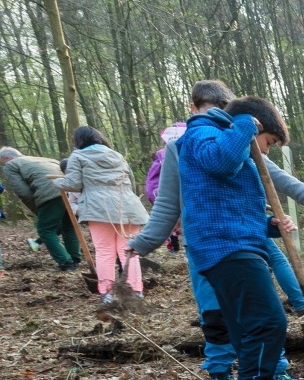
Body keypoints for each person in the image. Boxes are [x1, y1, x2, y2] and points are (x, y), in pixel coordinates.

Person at [130, 80, 304, 380]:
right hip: (211, 242)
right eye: (268, 141)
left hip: (249, 235)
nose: (265, 148)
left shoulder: (247, 147)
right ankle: (229, 374)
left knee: (263, 312)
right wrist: (141, 244)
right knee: (223, 311)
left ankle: (271, 374)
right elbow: (168, 205)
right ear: (194, 110)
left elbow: (289, 185)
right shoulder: (192, 145)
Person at [169, 94, 304, 380]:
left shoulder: (226, 142)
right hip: (224, 248)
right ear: (253, 126)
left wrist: (267, 227)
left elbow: (219, 203)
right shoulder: (203, 134)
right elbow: (220, 163)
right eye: (269, 142)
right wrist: (246, 126)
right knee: (269, 321)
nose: (265, 151)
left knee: (247, 327)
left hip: (235, 242)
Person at [56, 126, 150, 302]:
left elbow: (73, 183)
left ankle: (108, 293)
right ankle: (136, 291)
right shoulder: (116, 154)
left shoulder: (78, 155)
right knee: (128, 251)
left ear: (78, 141)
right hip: (127, 205)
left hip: (99, 209)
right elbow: (130, 179)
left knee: (105, 252)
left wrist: (57, 182)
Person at [0, 147, 82, 270]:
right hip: (70, 191)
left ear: (7, 158)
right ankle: (74, 259)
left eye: (2, 162)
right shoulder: (46, 159)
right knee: (69, 227)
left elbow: (22, 191)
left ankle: (66, 262)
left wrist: (37, 208)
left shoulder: (11, 165)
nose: (3, 164)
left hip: (50, 194)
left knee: (45, 230)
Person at [145, 120, 187, 252]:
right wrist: (155, 194)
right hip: (172, 194)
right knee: (174, 221)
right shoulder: (162, 155)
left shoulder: (192, 152)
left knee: (178, 222)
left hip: (180, 195)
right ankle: (173, 241)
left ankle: (174, 240)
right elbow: (153, 180)